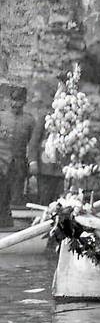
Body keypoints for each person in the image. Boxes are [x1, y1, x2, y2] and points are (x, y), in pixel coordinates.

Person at [0, 86, 40, 228]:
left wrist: (31, 163)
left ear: (24, 102)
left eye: (18, 101)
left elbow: (33, 144)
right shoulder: (2, 116)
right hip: (1, 164)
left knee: (15, 199)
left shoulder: (29, 121)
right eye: (13, 100)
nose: (15, 104)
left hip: (18, 166)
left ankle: (11, 227)